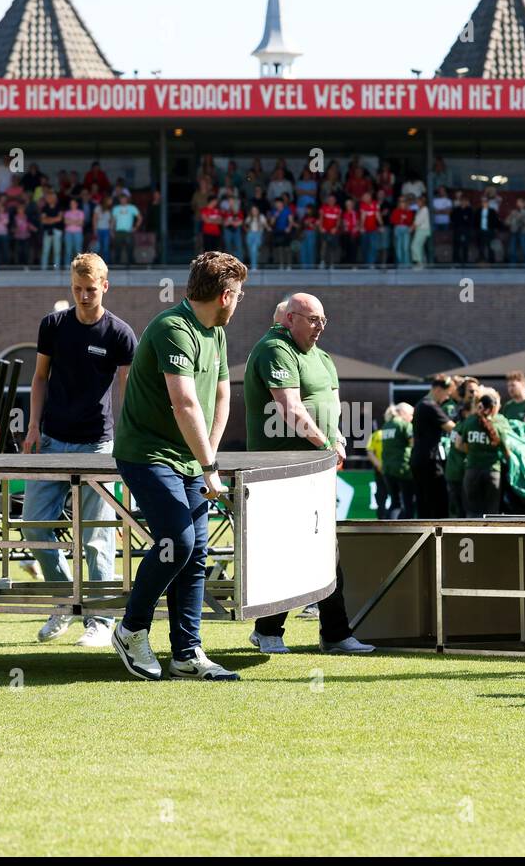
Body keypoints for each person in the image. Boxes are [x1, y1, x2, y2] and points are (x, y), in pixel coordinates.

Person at [110, 251, 246, 681]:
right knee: (179, 542)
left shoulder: (216, 332)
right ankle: (131, 629)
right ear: (225, 295)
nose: (239, 302)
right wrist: (210, 465)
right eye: (239, 295)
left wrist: (208, 458)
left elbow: (222, 395)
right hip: (145, 453)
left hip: (191, 458)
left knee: (196, 553)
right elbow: (185, 402)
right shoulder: (173, 328)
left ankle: (186, 654)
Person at [242, 293, 375, 655]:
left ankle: (334, 634)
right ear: (289, 318)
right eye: (313, 319)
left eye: (323, 320)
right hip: (280, 471)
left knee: (322, 550)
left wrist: (338, 439)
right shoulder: (275, 348)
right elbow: (290, 407)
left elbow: (331, 406)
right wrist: (325, 444)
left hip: (316, 469)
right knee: (289, 549)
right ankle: (269, 630)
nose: (320, 327)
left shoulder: (324, 358)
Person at [22, 253, 137, 648]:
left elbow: (130, 390)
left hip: (98, 445)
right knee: (35, 527)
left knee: (95, 537)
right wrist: (33, 426)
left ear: (105, 286)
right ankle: (64, 602)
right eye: (77, 289)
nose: (84, 296)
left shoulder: (119, 333)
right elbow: (39, 378)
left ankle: (101, 621)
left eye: (91, 289)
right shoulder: (52, 325)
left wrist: (126, 436)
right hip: (52, 440)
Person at [456, 387, 511, 517]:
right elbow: (507, 453)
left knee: (472, 511)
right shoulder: (498, 426)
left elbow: (458, 444)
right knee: (491, 512)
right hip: (492, 472)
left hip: (472, 471)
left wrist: (471, 450)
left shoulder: (469, 422)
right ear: (493, 408)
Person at [411, 375, 456, 518]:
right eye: (447, 394)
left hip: (419, 457)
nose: (447, 398)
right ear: (437, 389)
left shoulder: (420, 404)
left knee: (423, 500)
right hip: (429, 460)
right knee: (439, 501)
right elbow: (452, 428)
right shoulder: (430, 405)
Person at [379, 403, 414, 519]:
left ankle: (389, 530)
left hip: (387, 469)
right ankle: (410, 532)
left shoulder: (386, 425)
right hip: (402, 468)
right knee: (408, 502)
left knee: (395, 502)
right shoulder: (404, 425)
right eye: (411, 414)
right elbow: (413, 443)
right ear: (403, 413)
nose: (412, 418)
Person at [111, 192, 142, 265]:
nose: (123, 200)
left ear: (127, 199)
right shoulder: (116, 208)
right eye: (121, 199)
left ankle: (131, 266)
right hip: (118, 232)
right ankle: (117, 266)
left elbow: (140, 218)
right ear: (119, 200)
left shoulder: (132, 207)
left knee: (130, 249)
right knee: (117, 250)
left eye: (124, 199)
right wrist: (111, 230)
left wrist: (135, 227)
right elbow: (113, 220)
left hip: (128, 232)